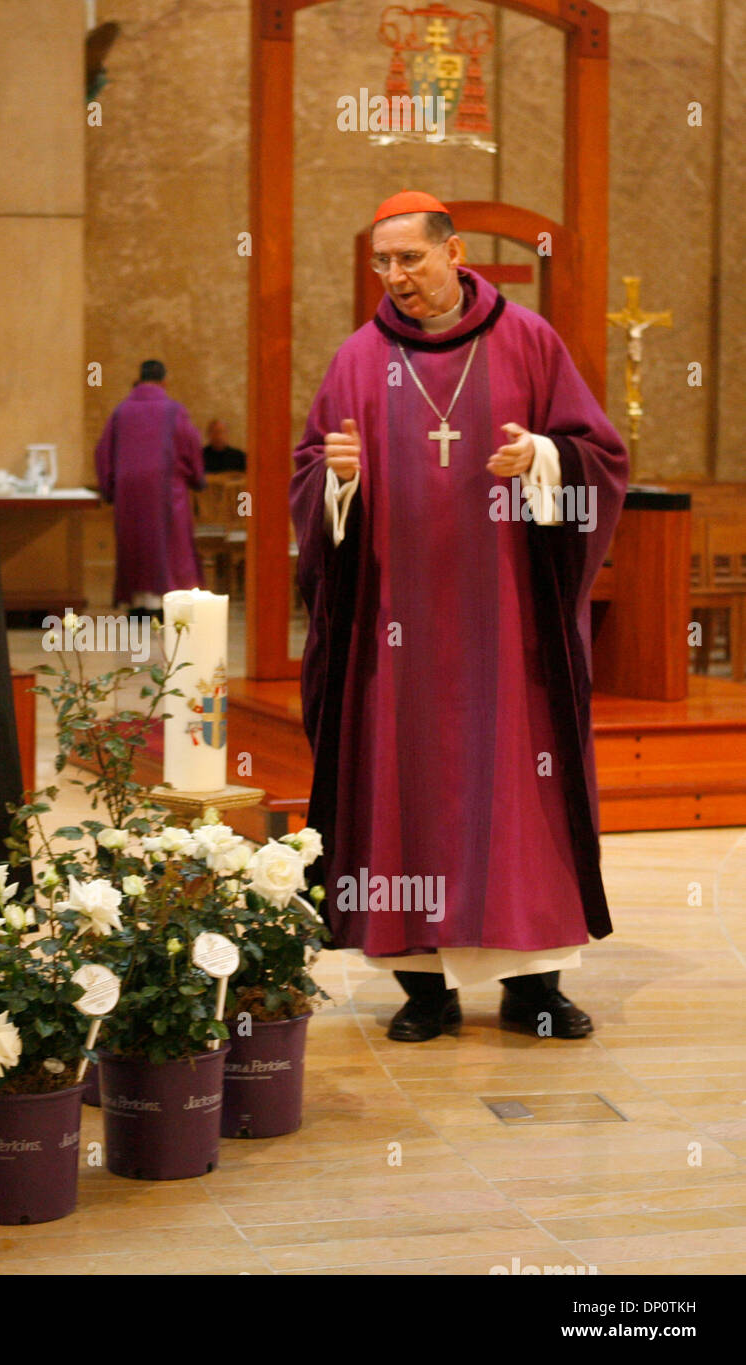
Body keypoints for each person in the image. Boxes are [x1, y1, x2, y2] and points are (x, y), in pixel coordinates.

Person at [290, 191, 628, 1042]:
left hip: (509, 623)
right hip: (394, 629)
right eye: (382, 263)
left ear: (454, 252)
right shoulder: (359, 361)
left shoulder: (528, 340)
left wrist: (546, 457)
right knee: (403, 793)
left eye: (410, 258)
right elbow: (308, 477)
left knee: (524, 787)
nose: (396, 277)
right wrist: (337, 480)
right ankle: (424, 987)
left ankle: (534, 986)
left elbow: (602, 454)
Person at [95, 359, 206, 613]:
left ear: (139, 379)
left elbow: (102, 451)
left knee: (135, 544)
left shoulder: (121, 411)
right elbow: (190, 443)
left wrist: (109, 488)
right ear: (164, 381)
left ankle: (137, 603)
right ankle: (166, 602)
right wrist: (197, 478)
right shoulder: (173, 410)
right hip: (166, 490)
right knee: (169, 547)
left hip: (128, 492)